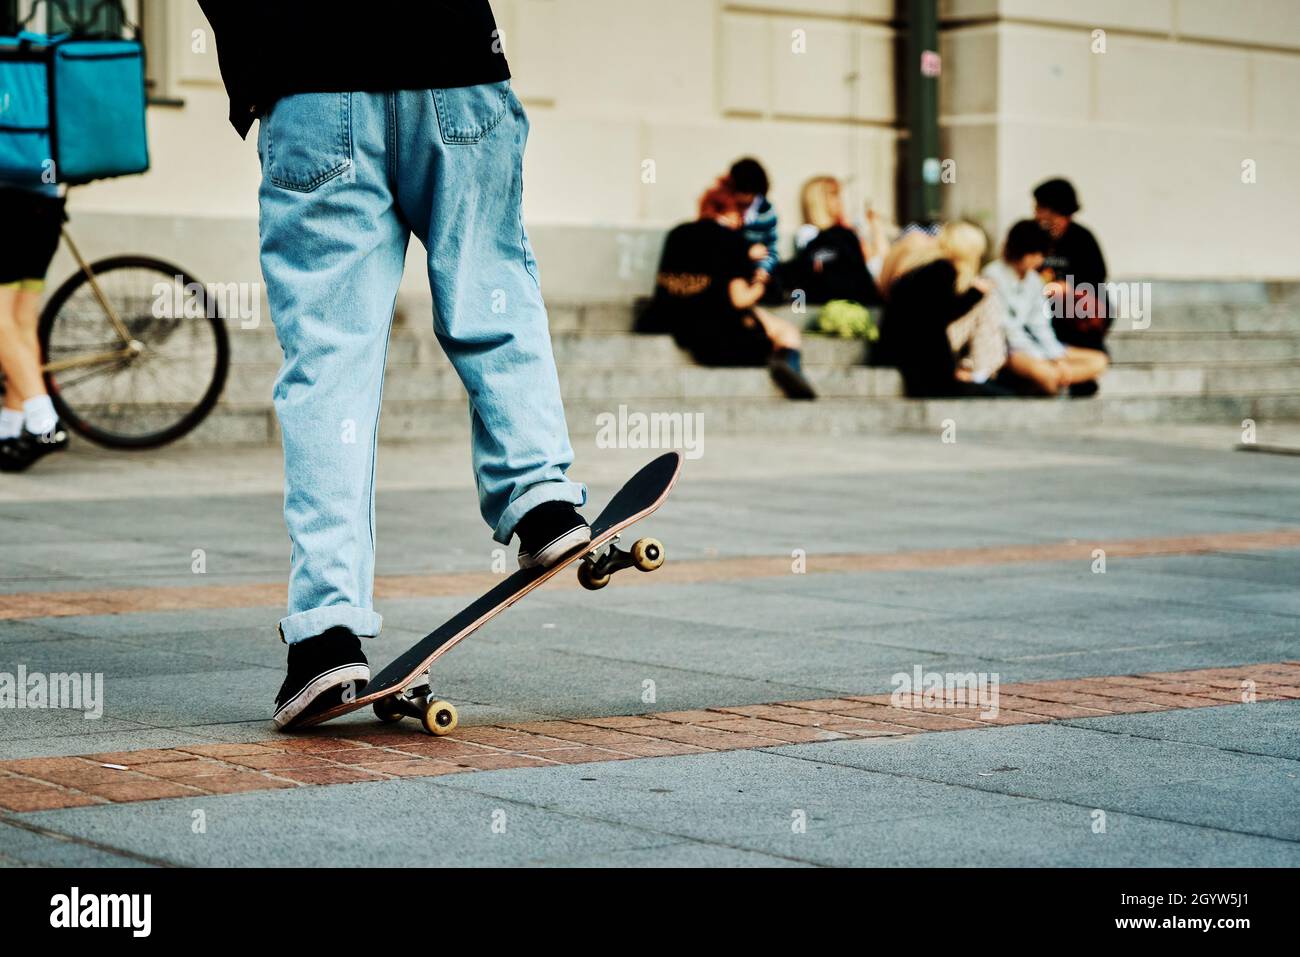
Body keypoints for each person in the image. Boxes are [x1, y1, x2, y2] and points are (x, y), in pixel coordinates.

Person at [200, 2, 592, 730]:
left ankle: (324, 633)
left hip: (308, 80)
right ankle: (541, 495)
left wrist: (258, 61)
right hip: (450, 64)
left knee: (328, 367)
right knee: (489, 293)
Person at [644, 183, 815, 399]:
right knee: (786, 332)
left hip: (669, 319)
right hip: (719, 336)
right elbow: (740, 299)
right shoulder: (732, 240)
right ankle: (788, 366)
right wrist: (760, 282)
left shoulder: (677, 233)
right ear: (735, 212)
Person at [877, 222, 1008, 398]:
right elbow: (939, 314)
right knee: (997, 395)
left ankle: (979, 371)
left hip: (903, 355)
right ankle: (980, 372)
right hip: (920, 365)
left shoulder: (924, 266)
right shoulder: (942, 270)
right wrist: (975, 293)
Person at [983, 220, 1108, 395]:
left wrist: (1056, 357)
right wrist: (1046, 359)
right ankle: (1053, 381)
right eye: (1035, 254)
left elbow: (1040, 324)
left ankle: (1053, 380)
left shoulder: (1033, 280)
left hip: (1039, 347)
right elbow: (1007, 328)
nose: (1039, 260)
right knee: (1045, 374)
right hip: (1010, 349)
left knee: (1098, 361)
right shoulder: (993, 275)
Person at [0, 181, 69, 472]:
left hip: (7, 204)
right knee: (22, 321)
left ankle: (44, 421)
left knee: (4, 320)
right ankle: (8, 430)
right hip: (48, 207)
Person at [1032, 178, 1110, 360]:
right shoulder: (1034, 236)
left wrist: (1066, 289)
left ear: (1054, 210)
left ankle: (1085, 366)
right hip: (1039, 303)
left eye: (1039, 207)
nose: (1035, 214)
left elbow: (1097, 278)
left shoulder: (1082, 238)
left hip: (1073, 308)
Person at [785, 175, 883, 307]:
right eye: (834, 195)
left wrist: (874, 228)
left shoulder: (845, 233)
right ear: (818, 200)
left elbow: (869, 264)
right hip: (833, 299)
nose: (840, 201)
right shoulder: (808, 232)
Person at [727, 157, 779, 288]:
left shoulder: (767, 212)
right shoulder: (725, 209)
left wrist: (763, 270)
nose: (741, 197)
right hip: (730, 272)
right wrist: (746, 254)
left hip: (755, 271)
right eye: (737, 191)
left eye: (746, 192)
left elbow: (771, 250)